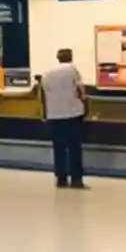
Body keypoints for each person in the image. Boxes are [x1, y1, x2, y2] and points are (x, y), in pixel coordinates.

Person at [43, 48, 88, 189]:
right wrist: (85, 104)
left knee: (59, 147)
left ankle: (61, 178)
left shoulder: (48, 73)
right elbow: (81, 90)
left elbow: (44, 92)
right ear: (71, 57)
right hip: (72, 113)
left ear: (57, 57)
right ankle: (76, 179)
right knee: (74, 147)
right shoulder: (72, 70)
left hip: (54, 114)